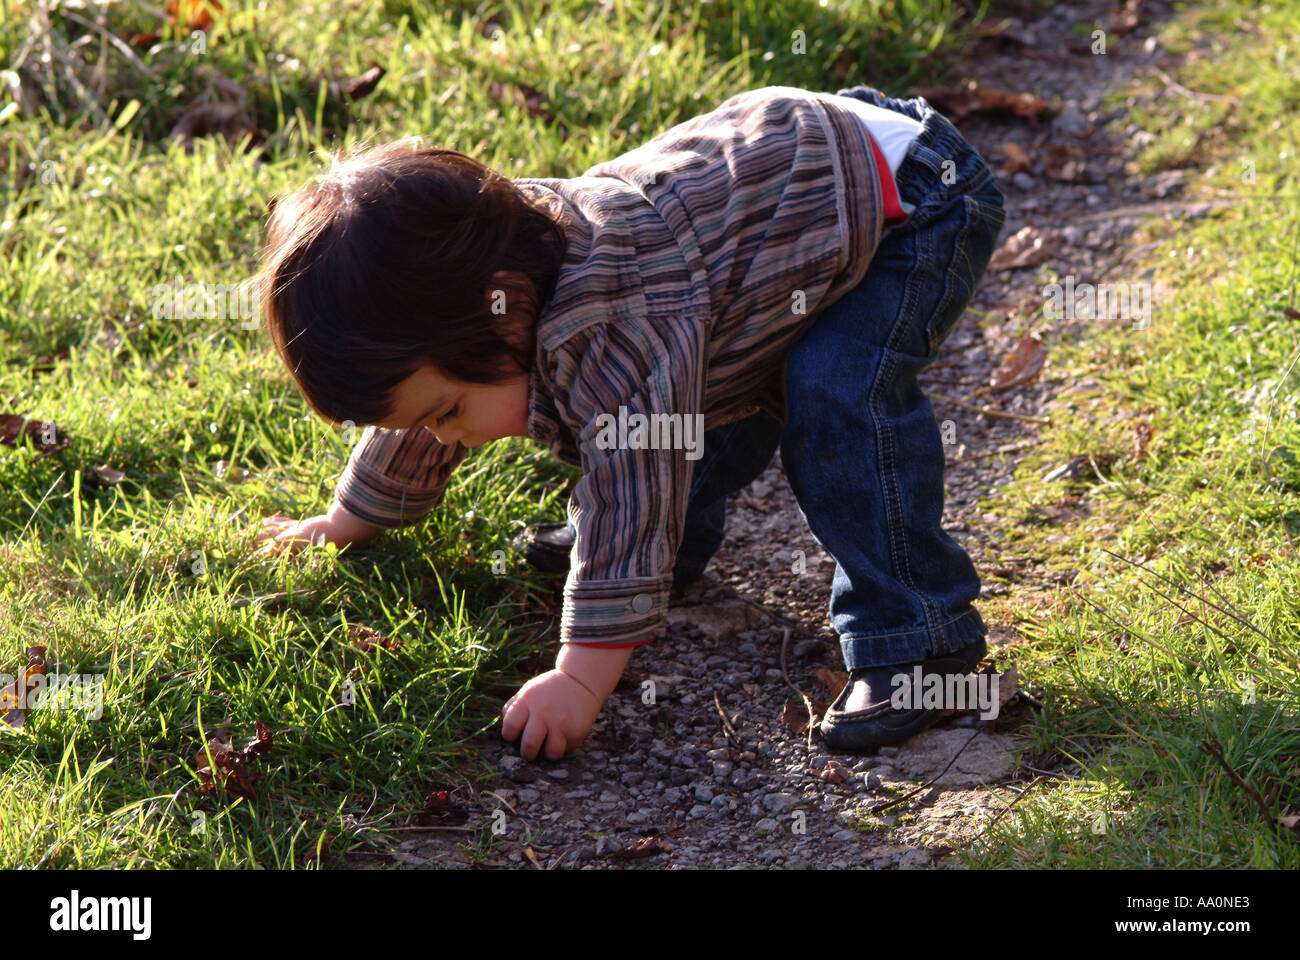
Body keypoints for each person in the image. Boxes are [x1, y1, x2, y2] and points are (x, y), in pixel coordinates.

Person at [256, 84, 1006, 761]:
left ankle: (918, 638)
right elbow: (414, 408)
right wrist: (346, 521)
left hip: (910, 201)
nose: (444, 433)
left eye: (449, 412)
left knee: (833, 393)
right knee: (692, 391)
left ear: (508, 308)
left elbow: (631, 486)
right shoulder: (480, 289)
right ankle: (670, 555)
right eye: (432, 418)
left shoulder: (616, 321)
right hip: (776, 234)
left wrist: (579, 681)